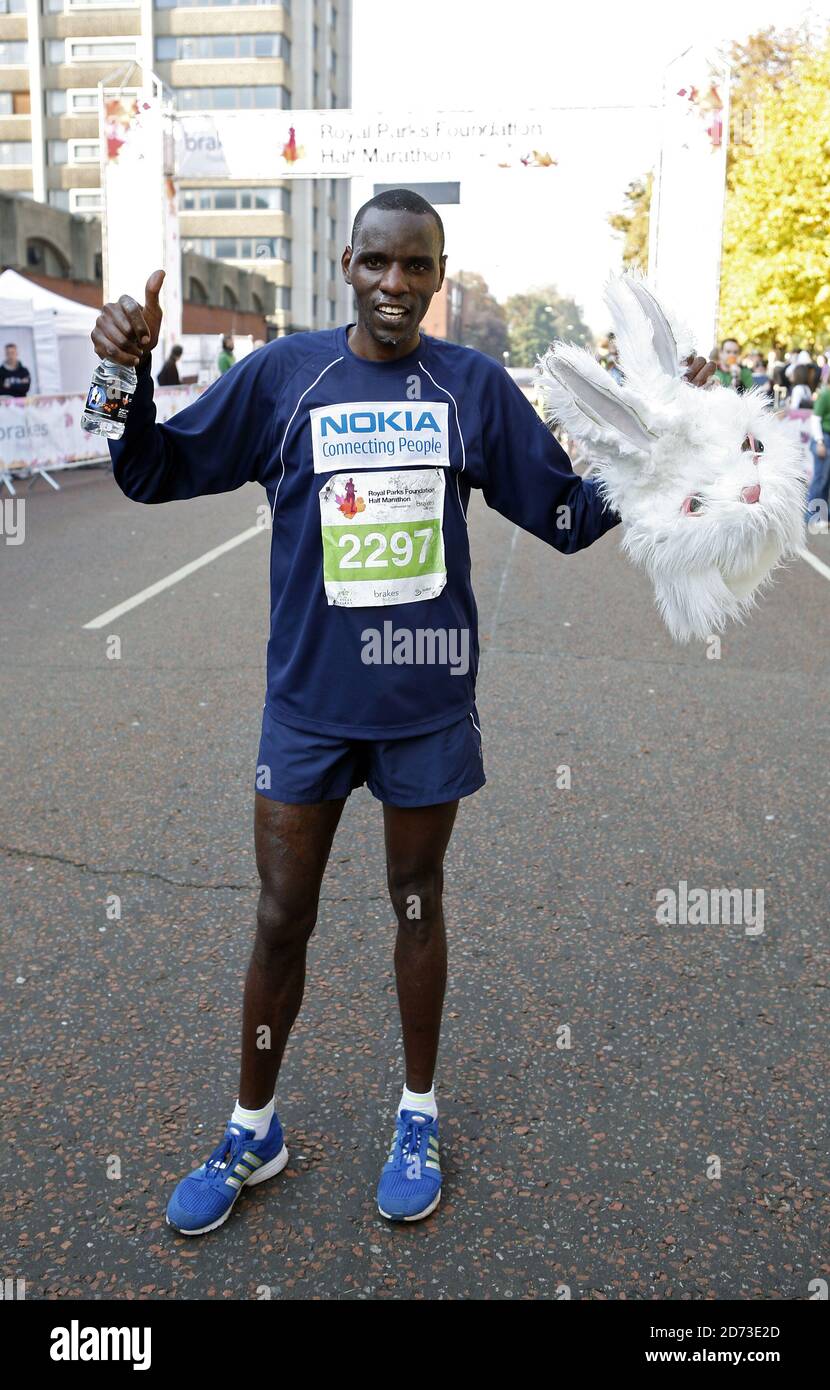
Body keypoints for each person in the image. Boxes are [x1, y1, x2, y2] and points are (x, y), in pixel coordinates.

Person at [92, 188, 715, 1235]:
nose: (394, 285)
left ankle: (415, 1114)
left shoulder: (469, 386)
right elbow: (153, 471)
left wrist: (664, 463)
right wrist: (125, 371)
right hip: (308, 706)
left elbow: (561, 513)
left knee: (415, 901)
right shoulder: (288, 375)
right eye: (377, 263)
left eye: (415, 267)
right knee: (281, 914)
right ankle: (254, 1125)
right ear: (347, 263)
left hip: (425, 700)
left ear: (437, 275)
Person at [806, 378, 830, 529]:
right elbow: (815, 419)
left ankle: (823, 517)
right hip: (824, 438)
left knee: (825, 481)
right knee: (821, 479)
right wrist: (820, 441)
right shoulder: (826, 395)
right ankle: (813, 517)